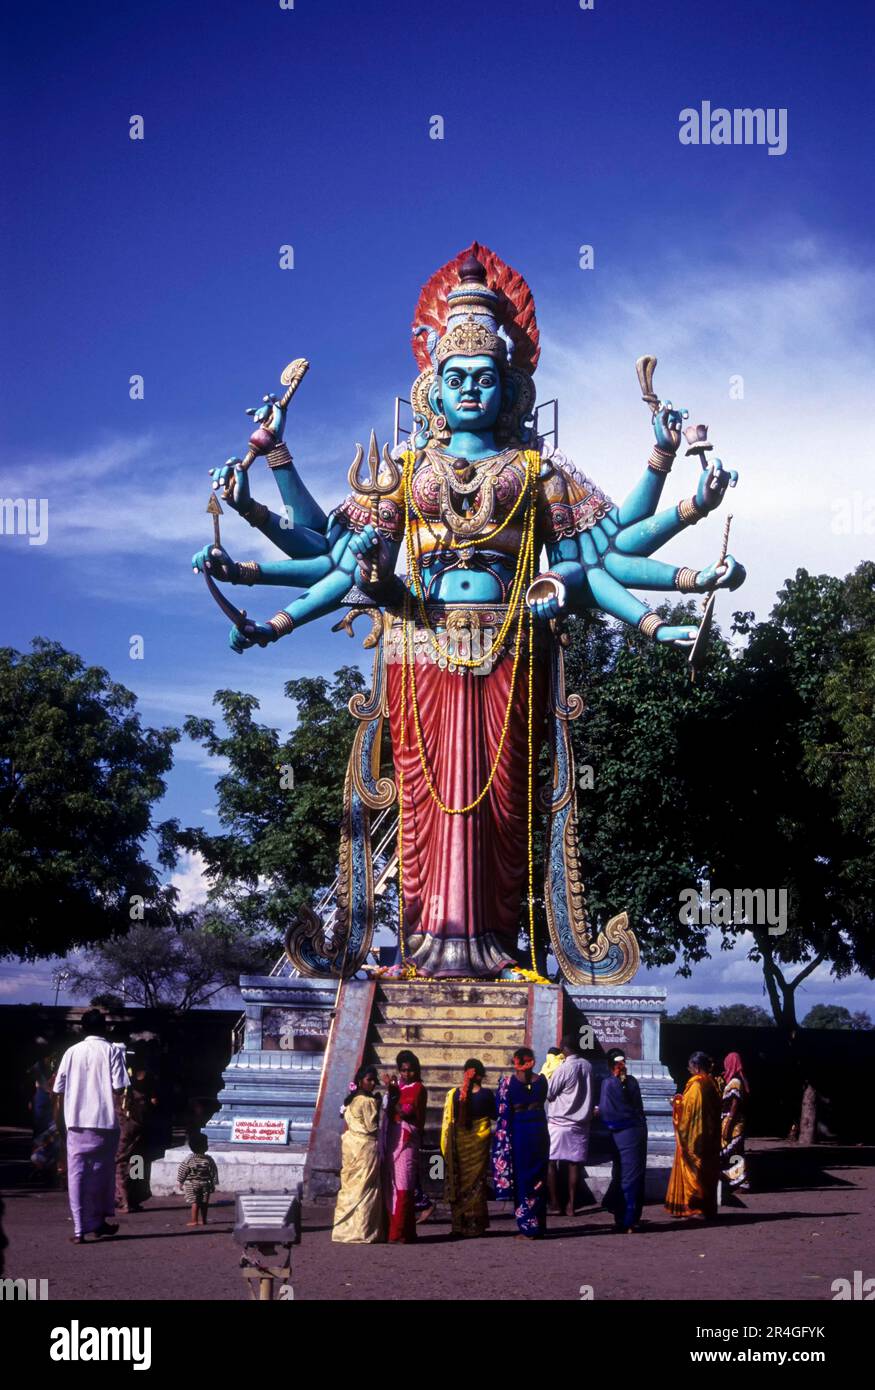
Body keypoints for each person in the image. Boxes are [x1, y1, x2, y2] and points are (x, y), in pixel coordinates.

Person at [52, 1009, 128, 1243]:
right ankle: (97, 1222)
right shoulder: (112, 1051)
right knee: (101, 1175)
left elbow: (58, 1088)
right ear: (104, 1028)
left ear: (83, 1029)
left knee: (77, 1176)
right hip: (104, 1122)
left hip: (75, 1122)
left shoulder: (71, 1052)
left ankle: (79, 1229)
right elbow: (119, 1086)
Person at [492, 1046, 549, 1238]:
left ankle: (528, 1227)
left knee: (523, 1179)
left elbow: (501, 1113)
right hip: (539, 1132)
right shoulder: (542, 1081)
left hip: (520, 1133)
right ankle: (539, 1224)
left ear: (515, 1062)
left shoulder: (507, 1083)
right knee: (539, 1178)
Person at [440, 1058, 496, 1238]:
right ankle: (475, 1226)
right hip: (479, 1144)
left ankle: (458, 1225)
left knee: (460, 1182)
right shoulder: (486, 1095)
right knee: (476, 1184)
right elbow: (494, 1116)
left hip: (460, 1142)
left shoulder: (455, 1094)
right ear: (481, 1075)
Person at [665, 1050, 721, 1221]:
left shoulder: (696, 1086)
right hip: (710, 1138)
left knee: (695, 1173)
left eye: (690, 1066)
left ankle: (695, 1208)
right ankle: (706, 1209)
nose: (688, 1069)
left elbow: (689, 1114)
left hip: (695, 1139)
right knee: (708, 1173)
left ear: (696, 1067)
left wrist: (676, 1105)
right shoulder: (712, 1083)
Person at [332, 1066, 384, 1243]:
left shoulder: (350, 1101)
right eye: (369, 1080)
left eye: (373, 1080)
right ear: (361, 1081)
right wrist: (379, 1106)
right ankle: (362, 1231)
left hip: (350, 1146)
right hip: (365, 1145)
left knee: (349, 1185)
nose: (371, 1083)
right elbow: (372, 1127)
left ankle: (342, 1229)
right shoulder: (367, 1101)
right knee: (365, 1188)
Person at [599, 1049, 648, 1233]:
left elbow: (606, 1111)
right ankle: (631, 1219)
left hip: (619, 1134)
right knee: (633, 1176)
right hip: (637, 1131)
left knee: (621, 1176)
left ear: (609, 1065)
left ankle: (623, 1220)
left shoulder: (608, 1084)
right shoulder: (632, 1081)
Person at [382, 1050, 427, 1243]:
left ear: (416, 1071)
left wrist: (393, 1095)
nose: (406, 1074)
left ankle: (399, 1232)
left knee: (404, 1186)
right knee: (391, 1187)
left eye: (410, 1070)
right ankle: (403, 1232)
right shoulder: (398, 1087)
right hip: (393, 1138)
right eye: (403, 1070)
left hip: (407, 1140)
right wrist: (392, 1093)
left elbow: (407, 1112)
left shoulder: (418, 1088)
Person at [546, 1034, 594, 1216]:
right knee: (574, 1164)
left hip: (559, 1122)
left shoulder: (563, 1068)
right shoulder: (588, 1066)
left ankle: (555, 1202)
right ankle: (571, 1205)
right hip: (580, 1123)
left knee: (550, 1162)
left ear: (564, 1048)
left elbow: (550, 1093)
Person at [115, 1062, 159, 1213]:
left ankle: (125, 1200)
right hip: (140, 1127)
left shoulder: (121, 1089)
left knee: (121, 1162)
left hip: (125, 1127)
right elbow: (153, 1102)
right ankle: (135, 1198)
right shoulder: (145, 1082)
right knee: (137, 1160)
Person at [720, 1051, 750, 1195]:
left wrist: (729, 1122)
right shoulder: (736, 1079)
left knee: (735, 1151)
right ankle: (735, 1180)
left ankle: (742, 1183)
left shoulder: (736, 1081)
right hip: (732, 1120)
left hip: (733, 1122)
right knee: (735, 1152)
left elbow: (734, 1104)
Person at [177, 1132, 219, 1226]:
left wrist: (180, 1182)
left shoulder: (189, 1159)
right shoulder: (209, 1159)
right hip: (206, 1184)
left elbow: (183, 1170)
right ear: (206, 1147)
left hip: (192, 1184)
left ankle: (194, 1220)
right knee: (204, 1203)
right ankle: (203, 1220)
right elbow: (213, 1172)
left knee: (195, 1202)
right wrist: (214, 1183)